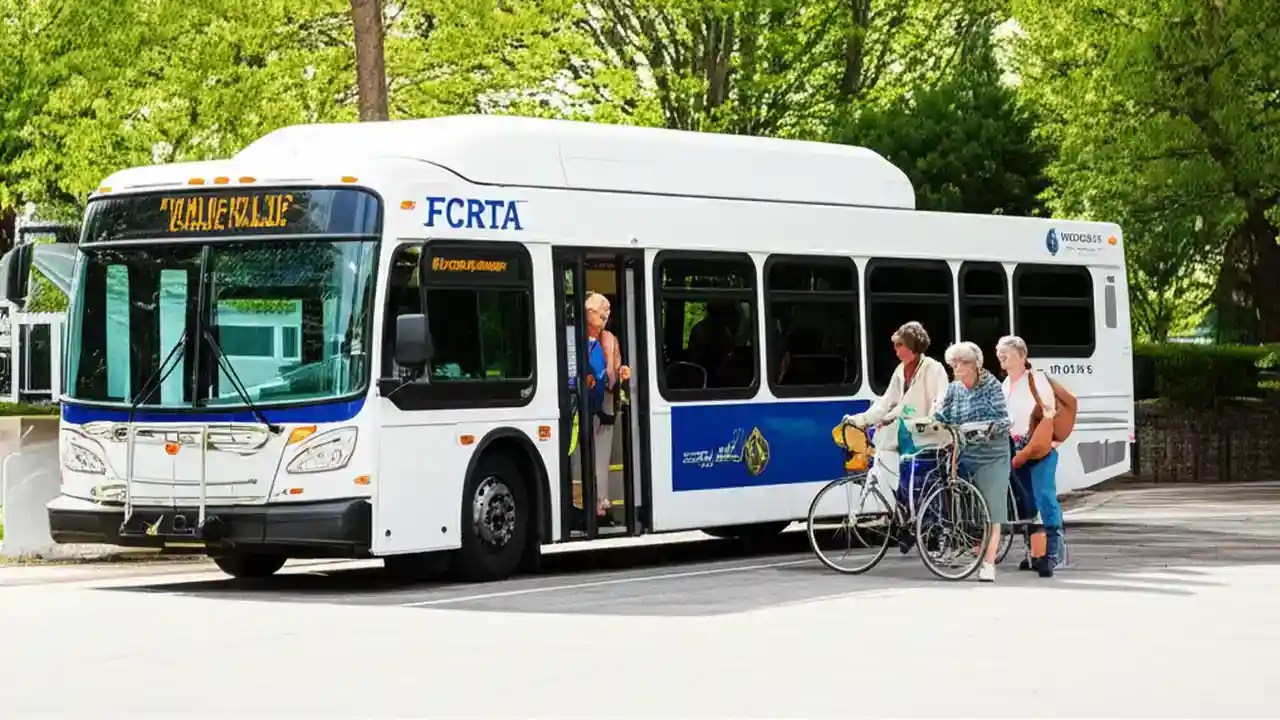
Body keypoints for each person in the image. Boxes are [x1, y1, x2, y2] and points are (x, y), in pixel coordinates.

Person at [842, 321, 949, 517]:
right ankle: (907, 519)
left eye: (899, 345)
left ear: (912, 346)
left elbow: (940, 402)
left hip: (928, 437)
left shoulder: (934, 369)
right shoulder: (901, 370)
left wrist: (930, 419)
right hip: (906, 435)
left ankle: (931, 526)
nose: (896, 350)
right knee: (900, 479)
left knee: (923, 486)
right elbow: (886, 402)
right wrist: (861, 420)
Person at [931, 341, 1013, 583]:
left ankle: (988, 563)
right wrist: (932, 419)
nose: (956, 366)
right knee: (961, 498)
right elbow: (943, 414)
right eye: (953, 362)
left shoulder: (992, 386)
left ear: (976, 365)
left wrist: (988, 427)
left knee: (992, 507)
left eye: (962, 362)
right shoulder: (955, 389)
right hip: (965, 449)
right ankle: (963, 543)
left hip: (992, 452)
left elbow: (1003, 420)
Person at [997, 334, 1063, 577]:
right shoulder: (1005, 384)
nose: (1000, 354)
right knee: (1026, 503)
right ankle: (1035, 554)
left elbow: (1049, 412)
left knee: (1045, 497)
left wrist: (1047, 441)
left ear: (1022, 356)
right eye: (999, 352)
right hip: (1016, 449)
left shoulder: (1035, 379)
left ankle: (1052, 554)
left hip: (1039, 447)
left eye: (1006, 352)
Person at [583, 292, 630, 521]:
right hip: (586, 403)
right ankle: (590, 500)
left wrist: (620, 374)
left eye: (607, 311)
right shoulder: (578, 339)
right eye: (601, 310)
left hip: (607, 401)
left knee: (602, 455)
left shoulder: (610, 339)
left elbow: (618, 367)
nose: (605, 315)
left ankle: (601, 501)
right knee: (589, 454)